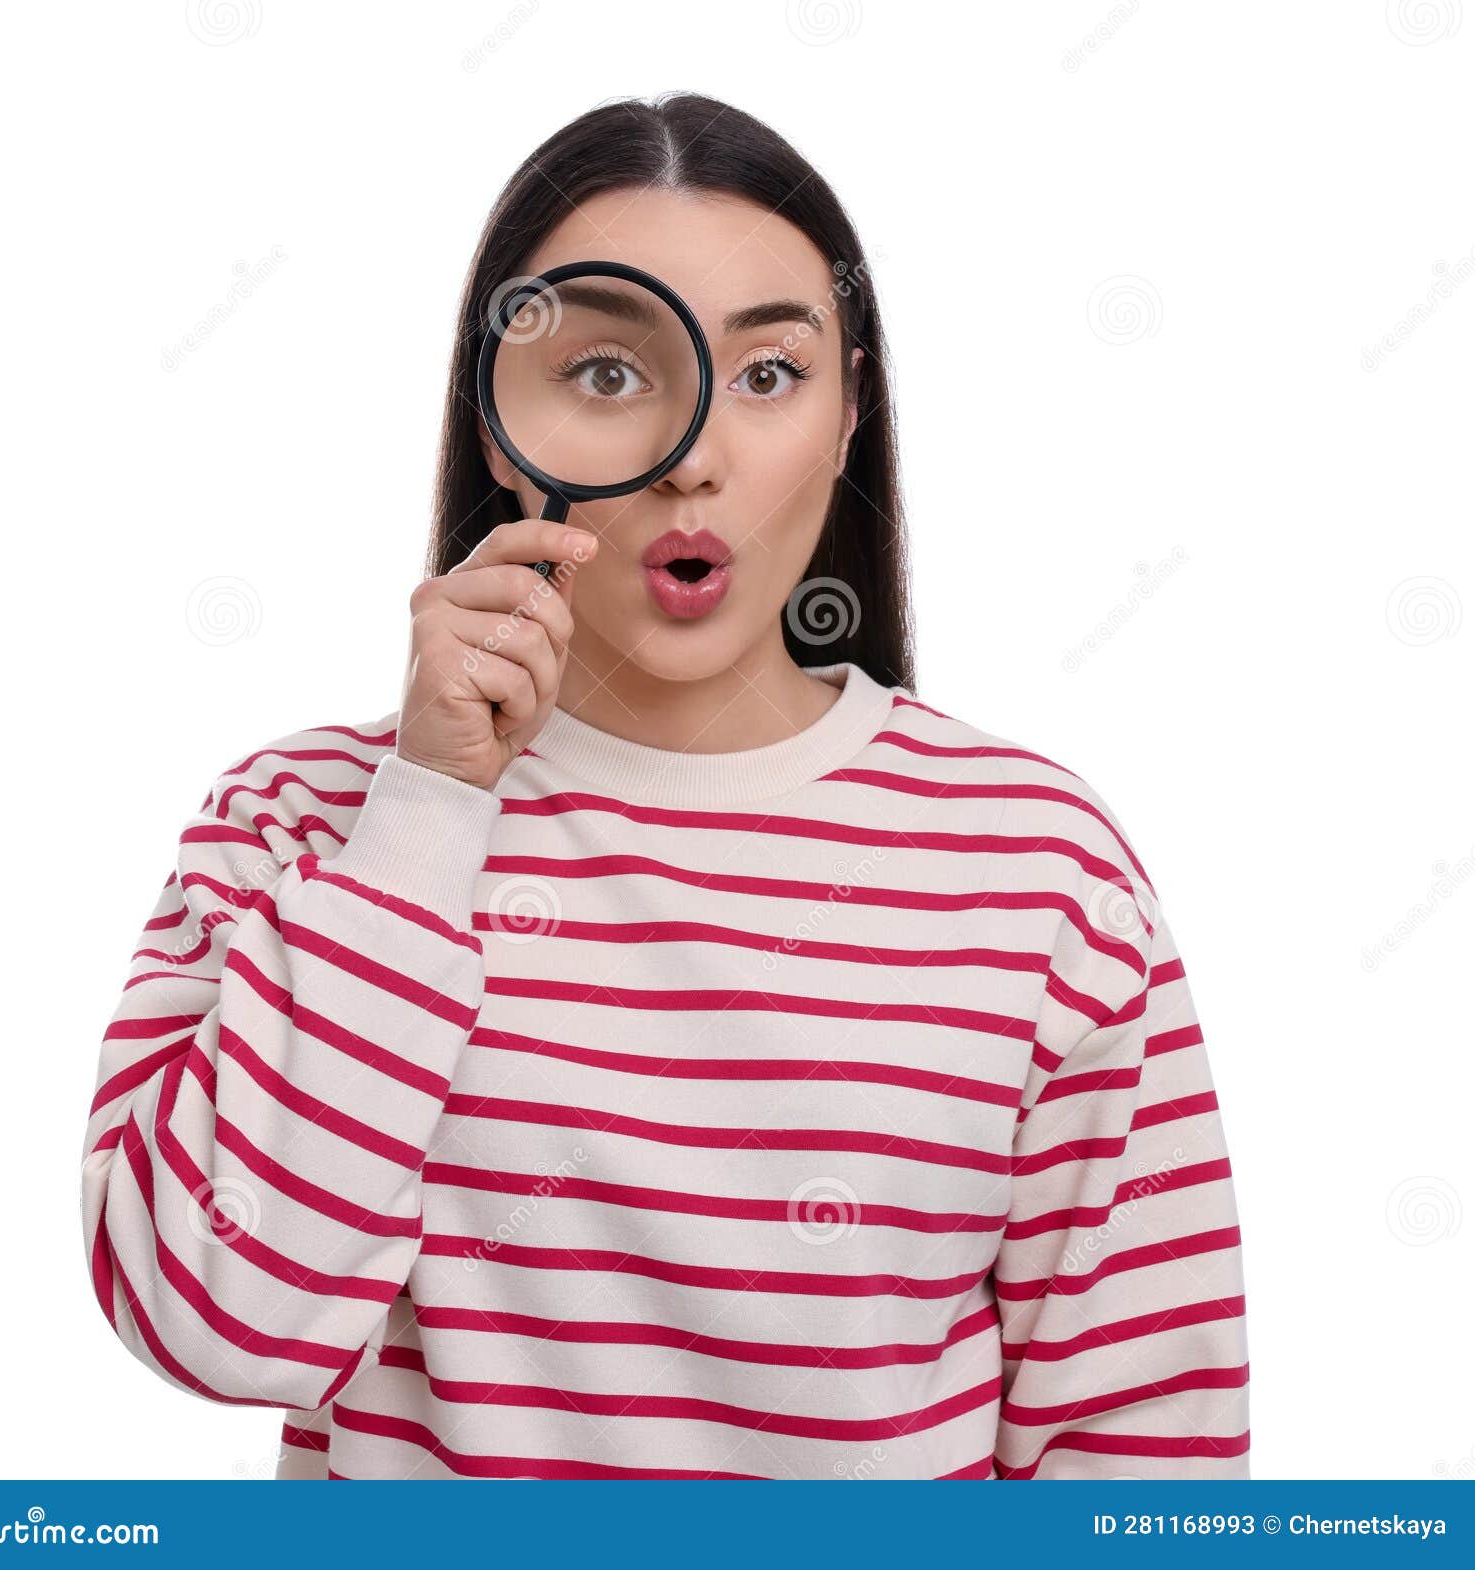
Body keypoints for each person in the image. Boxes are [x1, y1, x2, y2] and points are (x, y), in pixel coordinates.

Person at [79, 91, 1251, 1480]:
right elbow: (210, 1316)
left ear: (849, 413)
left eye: (767, 376)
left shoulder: (1043, 871)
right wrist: (429, 808)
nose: (695, 456)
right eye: (608, 374)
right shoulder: (304, 818)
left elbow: (1142, 1464)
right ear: (502, 416)